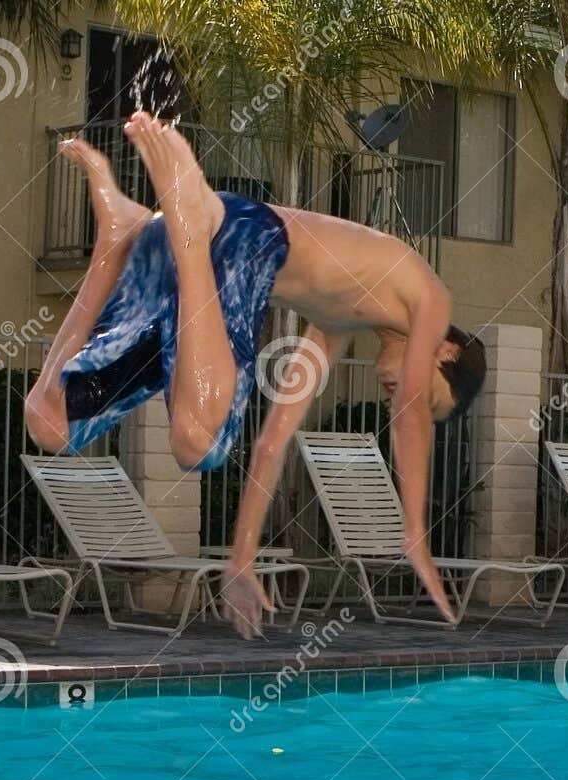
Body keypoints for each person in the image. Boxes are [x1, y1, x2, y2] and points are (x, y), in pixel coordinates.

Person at [25, 113, 486, 637]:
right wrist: (415, 534)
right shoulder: (430, 296)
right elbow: (408, 414)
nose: (403, 396)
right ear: (445, 352)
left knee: (50, 423)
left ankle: (116, 238)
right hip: (237, 237)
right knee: (199, 443)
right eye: (433, 397)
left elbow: (271, 442)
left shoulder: (338, 320)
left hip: (173, 243)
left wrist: (241, 558)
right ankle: (189, 222)